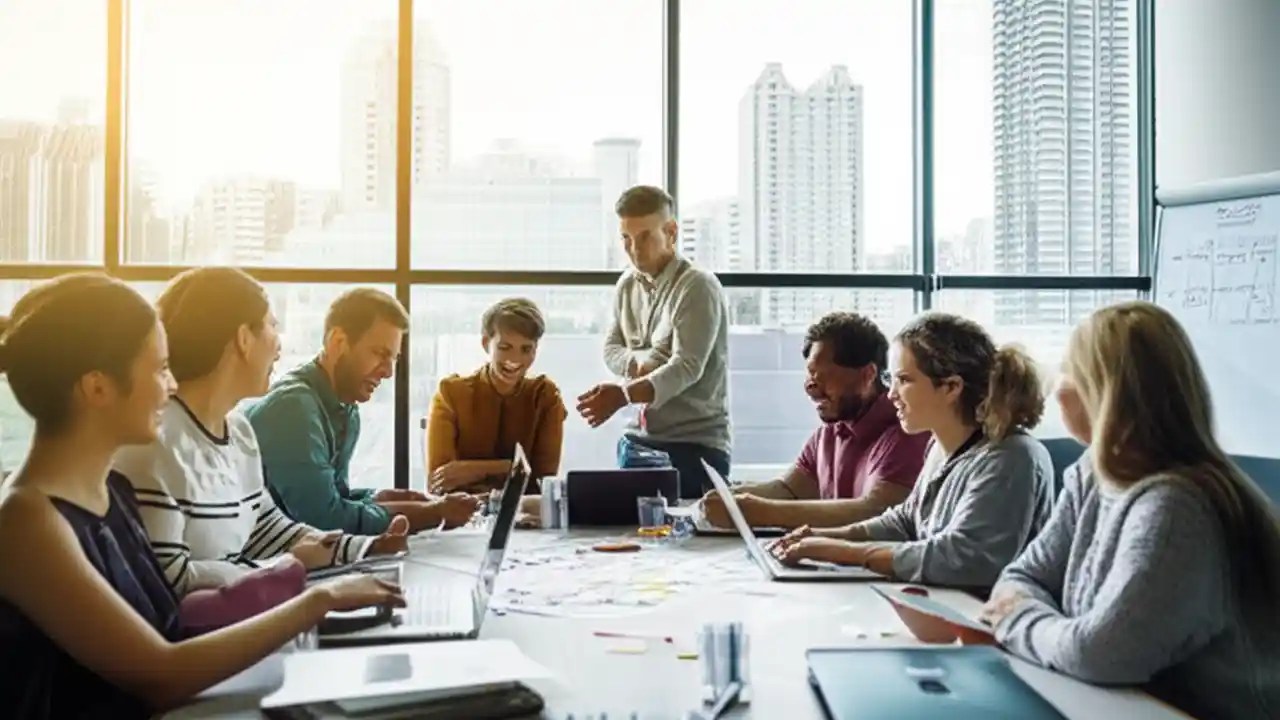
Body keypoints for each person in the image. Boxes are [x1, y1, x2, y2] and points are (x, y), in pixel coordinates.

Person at [0, 274, 403, 717]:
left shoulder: (109, 495)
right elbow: (160, 673)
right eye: (158, 369)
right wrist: (316, 599)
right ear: (97, 388)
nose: (172, 385)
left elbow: (176, 624)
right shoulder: (26, 520)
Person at [979, 301, 1280, 719]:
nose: (1056, 387)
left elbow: (1102, 654)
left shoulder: (1177, 505)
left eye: (1068, 368)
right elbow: (1022, 575)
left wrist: (1017, 621)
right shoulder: (1092, 472)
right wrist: (1046, 623)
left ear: (1105, 389)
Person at [114, 268, 410, 608]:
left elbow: (271, 533)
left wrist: (367, 548)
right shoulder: (155, 444)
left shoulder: (238, 433)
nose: (280, 347)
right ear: (244, 338)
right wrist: (280, 573)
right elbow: (170, 583)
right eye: (273, 326)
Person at [770, 312, 1054, 592]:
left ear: (951, 387)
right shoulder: (939, 448)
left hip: (988, 622)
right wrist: (822, 537)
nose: (891, 393)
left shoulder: (1011, 458)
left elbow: (965, 559)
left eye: (904, 380)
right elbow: (906, 521)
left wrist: (846, 552)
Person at [245, 288, 478, 534]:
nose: (388, 372)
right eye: (380, 353)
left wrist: (379, 497)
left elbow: (335, 498)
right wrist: (434, 513)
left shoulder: (345, 407)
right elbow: (324, 520)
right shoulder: (292, 409)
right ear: (338, 342)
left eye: (393, 359)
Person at [700, 312, 928, 529]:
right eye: (810, 373)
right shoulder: (829, 433)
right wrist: (730, 498)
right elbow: (788, 490)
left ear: (868, 374)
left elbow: (875, 512)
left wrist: (757, 511)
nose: (810, 385)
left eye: (823, 374)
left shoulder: (906, 431)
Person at [576, 185, 731, 499]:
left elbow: (686, 367)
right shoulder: (626, 284)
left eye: (645, 236)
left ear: (671, 232)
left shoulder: (697, 286)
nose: (634, 249)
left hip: (692, 448)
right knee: (629, 538)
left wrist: (623, 393)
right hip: (637, 442)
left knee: (681, 542)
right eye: (626, 239)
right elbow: (611, 349)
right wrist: (641, 363)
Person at [426, 297, 566, 493]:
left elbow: (542, 482)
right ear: (486, 343)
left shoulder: (545, 396)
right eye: (504, 347)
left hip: (523, 516)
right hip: (461, 515)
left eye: (526, 349)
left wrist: (470, 470)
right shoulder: (451, 393)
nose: (514, 359)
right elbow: (439, 482)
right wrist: (515, 468)